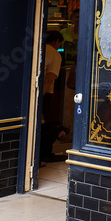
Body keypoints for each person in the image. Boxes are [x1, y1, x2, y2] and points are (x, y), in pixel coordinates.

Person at [40, 31, 66, 164]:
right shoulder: (55, 55)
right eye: (59, 43)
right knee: (48, 125)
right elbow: (50, 78)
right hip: (45, 93)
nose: (59, 45)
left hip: (35, 92)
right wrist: (41, 95)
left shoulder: (40, 48)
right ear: (56, 41)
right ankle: (44, 153)